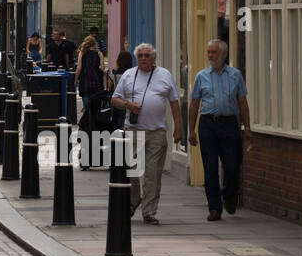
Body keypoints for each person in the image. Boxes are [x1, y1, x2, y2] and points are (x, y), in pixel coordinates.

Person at [110, 44, 183, 225]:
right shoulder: (128, 75)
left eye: (147, 55)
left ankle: (149, 212)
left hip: (157, 131)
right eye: (140, 55)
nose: (143, 58)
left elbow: (174, 103)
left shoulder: (165, 75)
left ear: (153, 58)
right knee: (132, 170)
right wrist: (128, 104)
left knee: (152, 173)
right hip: (133, 130)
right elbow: (114, 99)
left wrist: (178, 128)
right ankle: (134, 200)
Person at [189, 39, 251, 221]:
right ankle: (214, 208)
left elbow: (242, 102)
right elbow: (194, 104)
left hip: (229, 123)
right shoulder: (201, 76)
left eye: (214, 52)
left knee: (232, 165)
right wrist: (191, 130)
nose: (210, 56)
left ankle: (229, 194)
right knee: (210, 168)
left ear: (224, 54)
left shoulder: (235, 75)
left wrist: (248, 128)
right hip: (207, 123)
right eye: (209, 52)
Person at [75, 36, 107, 168]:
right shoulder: (99, 53)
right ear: (94, 44)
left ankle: (88, 138)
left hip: (85, 84)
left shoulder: (82, 53)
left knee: (88, 111)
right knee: (95, 113)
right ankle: (95, 139)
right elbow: (102, 68)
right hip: (96, 85)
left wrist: (75, 80)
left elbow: (79, 68)